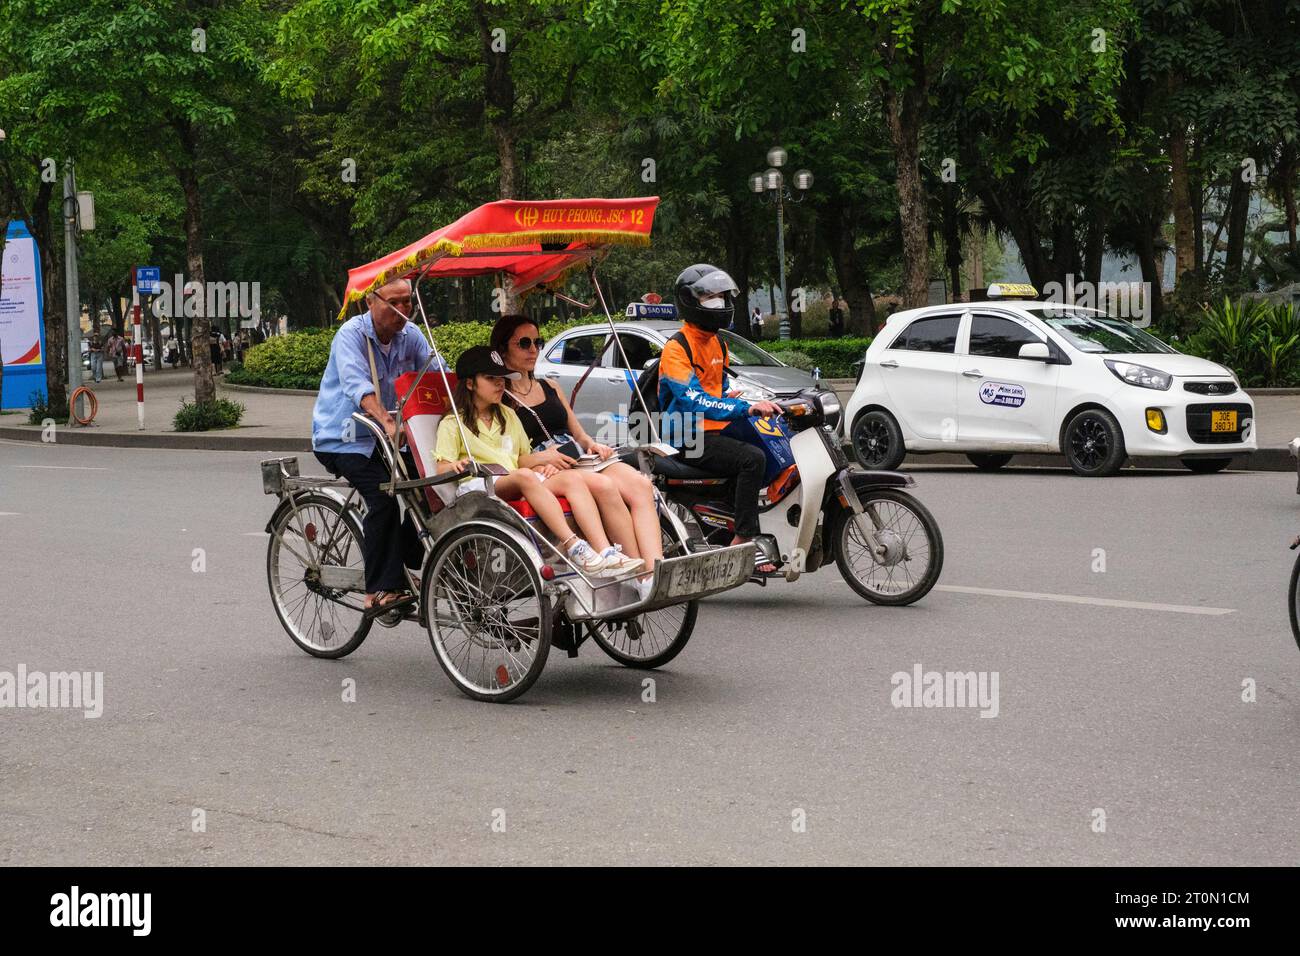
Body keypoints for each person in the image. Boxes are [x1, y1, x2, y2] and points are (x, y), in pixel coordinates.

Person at [435, 346, 637, 577]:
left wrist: (542, 465)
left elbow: (521, 458)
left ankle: (604, 551)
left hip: (516, 479)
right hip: (479, 488)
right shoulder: (452, 423)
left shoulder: (508, 415)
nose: (500, 384)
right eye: (491, 378)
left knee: (570, 479)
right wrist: (454, 465)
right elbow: (442, 466)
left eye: (502, 378)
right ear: (470, 384)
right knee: (525, 476)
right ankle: (574, 546)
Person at [491, 314, 663, 576]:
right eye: (524, 344)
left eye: (538, 342)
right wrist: (543, 459)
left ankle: (655, 569)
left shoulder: (549, 386)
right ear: (502, 349)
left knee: (641, 484)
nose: (534, 350)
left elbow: (580, 435)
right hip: (545, 466)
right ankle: (640, 574)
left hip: (578, 455)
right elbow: (507, 455)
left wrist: (594, 445)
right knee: (604, 485)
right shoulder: (500, 398)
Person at [311, 276, 445, 614]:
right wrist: (386, 421)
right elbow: (357, 386)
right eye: (394, 303)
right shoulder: (351, 336)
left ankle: (406, 556)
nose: (403, 310)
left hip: (391, 439)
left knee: (436, 487)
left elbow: (435, 373)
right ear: (370, 302)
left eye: (407, 302)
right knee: (384, 498)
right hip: (344, 439)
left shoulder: (409, 335)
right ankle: (381, 589)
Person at [660, 264, 782, 573]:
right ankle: (744, 538)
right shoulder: (676, 349)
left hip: (715, 427)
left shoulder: (718, 343)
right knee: (751, 459)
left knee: (772, 443)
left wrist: (744, 401)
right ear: (690, 301)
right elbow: (693, 400)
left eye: (722, 296)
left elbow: (720, 389)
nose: (720, 303)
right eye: (710, 297)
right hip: (686, 434)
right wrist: (744, 409)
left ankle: (741, 520)